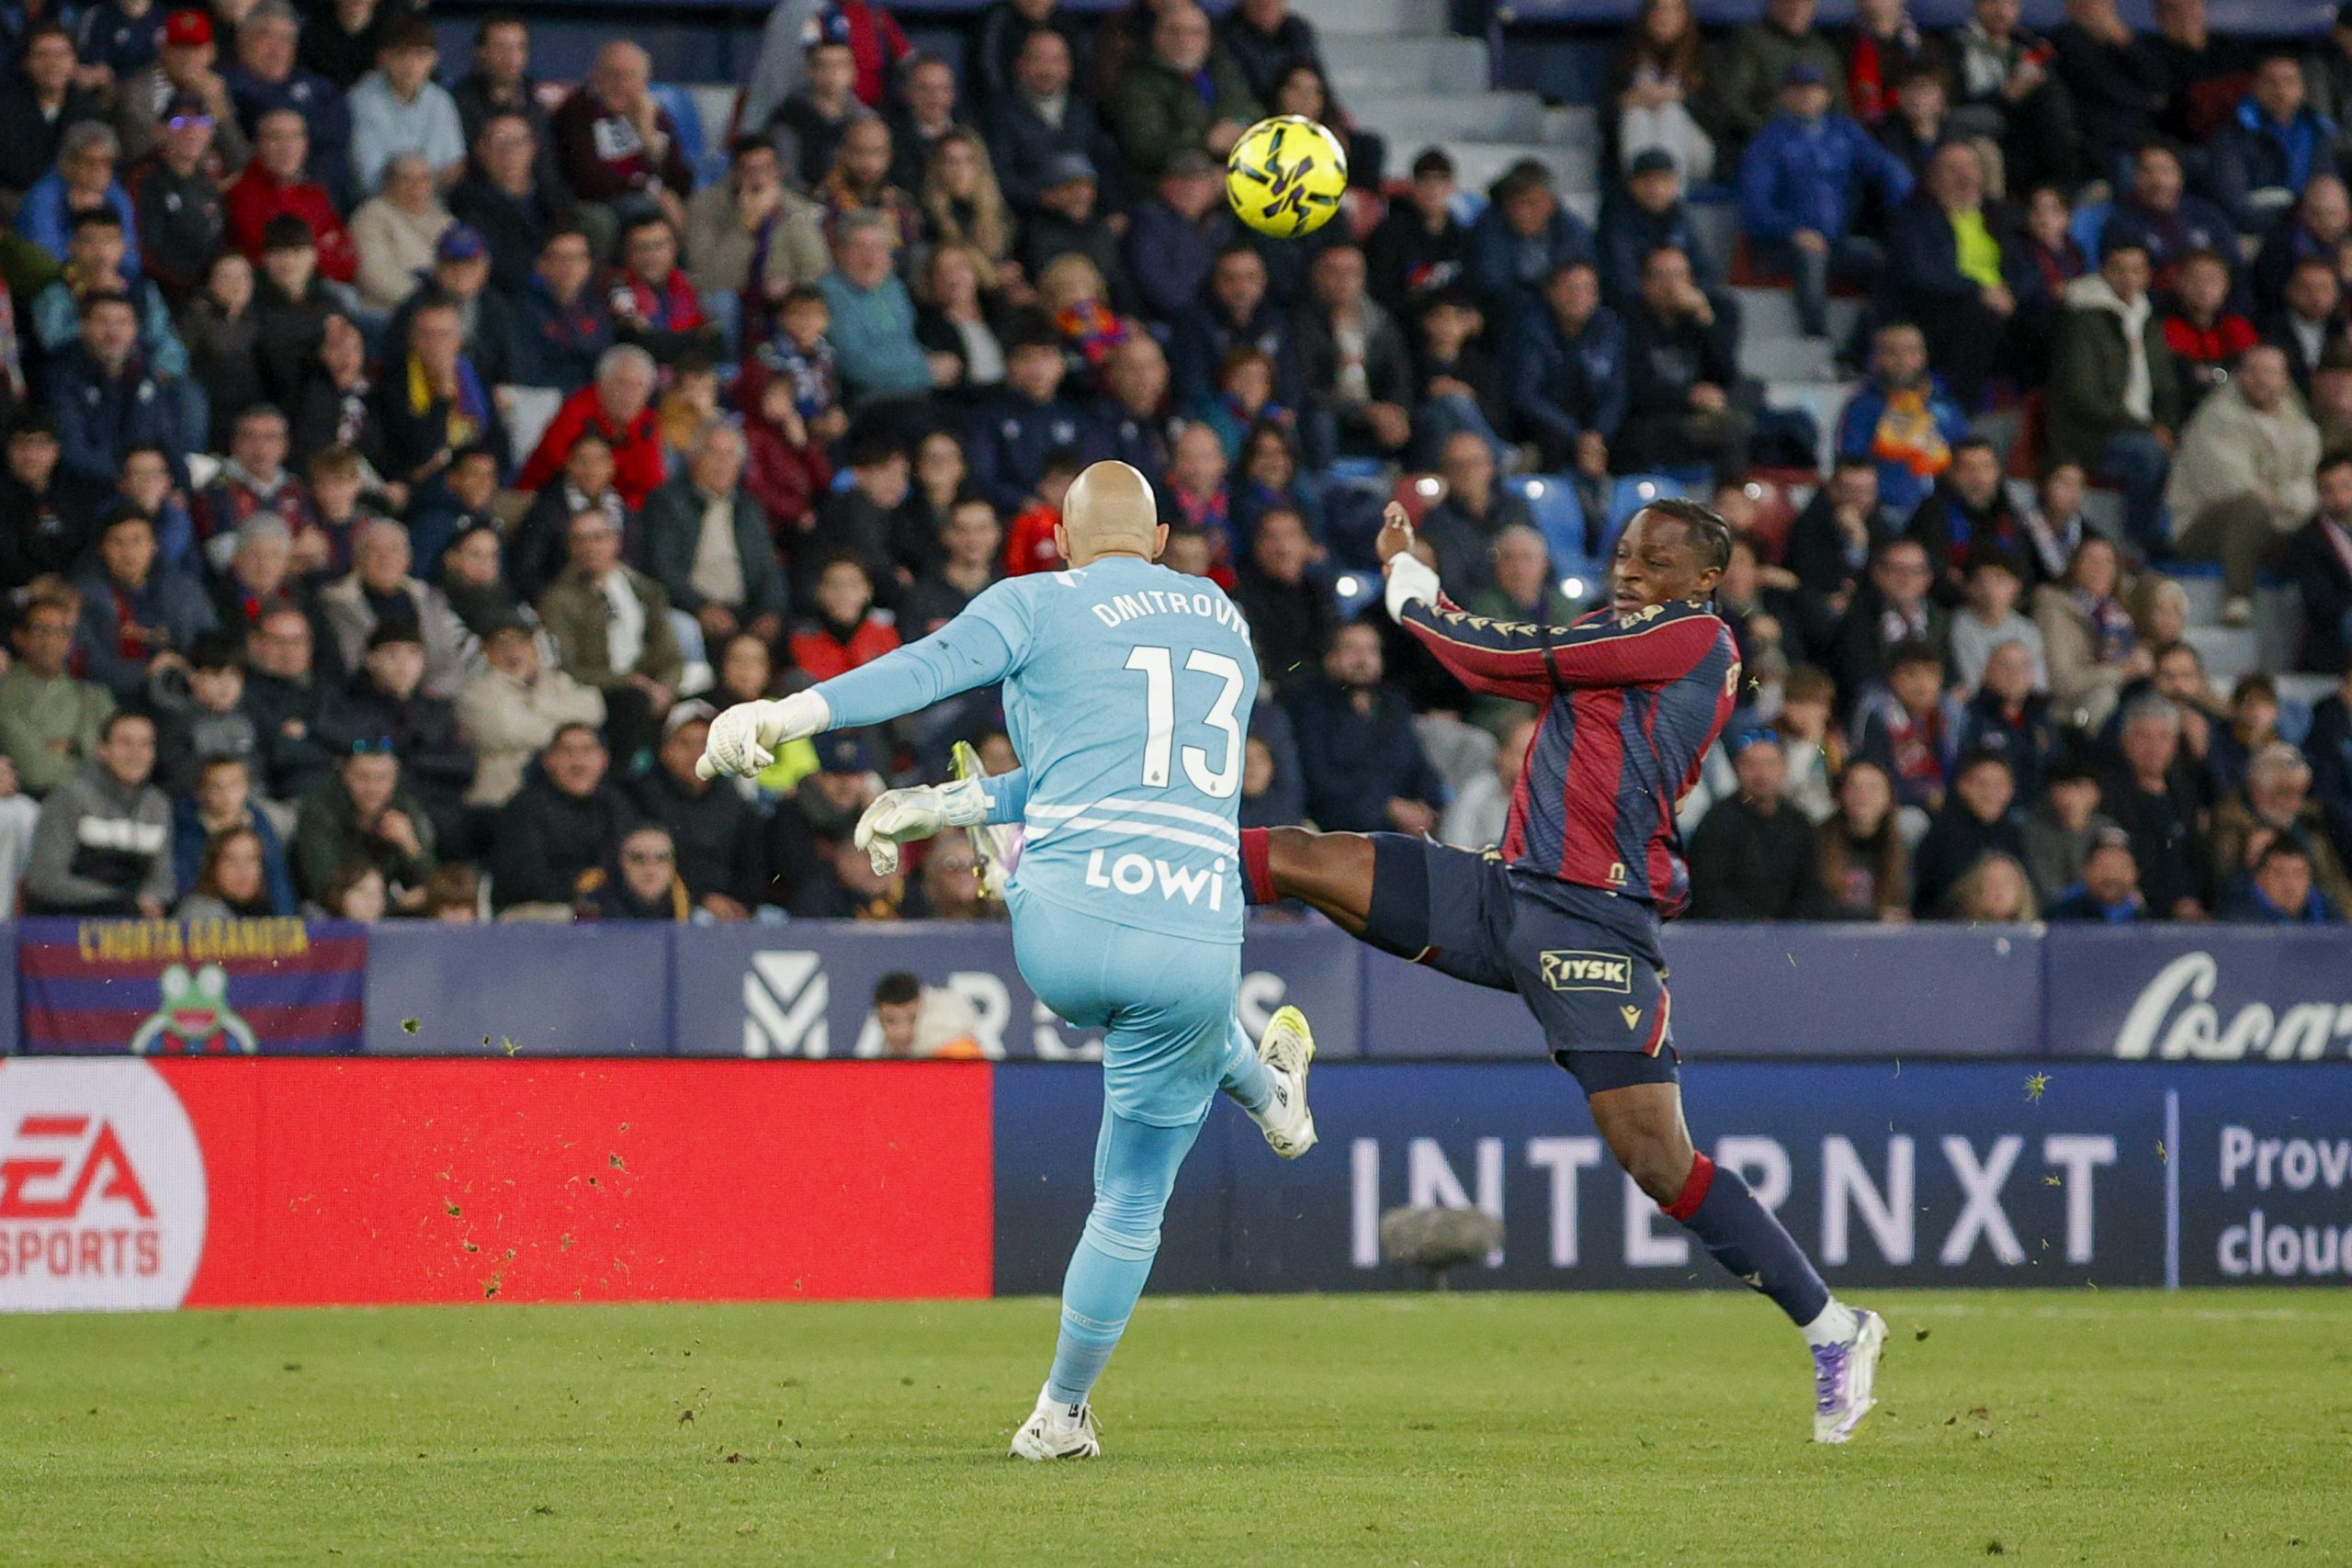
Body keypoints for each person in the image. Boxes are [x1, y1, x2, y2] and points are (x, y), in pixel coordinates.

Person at [1217, 495, 1887, 1437]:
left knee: (1657, 1160)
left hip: (1592, 921)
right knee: (1300, 855)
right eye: (1622, 553)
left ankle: (1834, 1328)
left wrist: (1410, 586)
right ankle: (1090, 878)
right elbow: (1510, 670)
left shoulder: (1695, 640)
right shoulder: (1613, 638)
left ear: (1704, 581)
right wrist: (1428, 600)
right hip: (1502, 892)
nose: (1628, 571)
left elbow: (1504, 659)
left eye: (1654, 561)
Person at [697, 458, 1317, 1461]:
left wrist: (785, 715)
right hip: (1198, 935)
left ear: (1062, 543)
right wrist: (960, 801)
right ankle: (1058, 1415)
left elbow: (926, 667)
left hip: (1063, 933)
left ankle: (1269, 1091)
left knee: (1147, 1010)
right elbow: (1110, 768)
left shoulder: (1037, 599)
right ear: (1160, 544)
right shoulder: (1220, 621)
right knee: (1129, 1199)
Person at [1735, 61, 1913, 340]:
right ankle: (1816, 339)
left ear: (1827, 95)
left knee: (1882, 260)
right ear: (1783, 96)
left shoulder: (1844, 131)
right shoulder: (1767, 142)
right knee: (1811, 255)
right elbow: (1756, 210)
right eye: (1798, 89)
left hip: (1836, 242)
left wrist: (1907, 209)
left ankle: (1867, 341)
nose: (1807, 94)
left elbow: (1885, 168)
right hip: (1780, 247)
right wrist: (1793, 230)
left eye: (1815, 88)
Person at [2164, 344, 2321, 625]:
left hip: (2277, 525)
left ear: (2285, 379)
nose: (2261, 379)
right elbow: (2232, 487)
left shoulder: (2302, 427)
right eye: (2253, 371)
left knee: (2328, 517)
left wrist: (2283, 499)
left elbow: (2311, 490)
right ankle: (2237, 599)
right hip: (2201, 528)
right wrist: (2287, 499)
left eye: (2270, 372)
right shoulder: (2215, 417)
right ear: (2239, 376)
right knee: (2250, 507)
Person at [2047, 238, 2180, 560]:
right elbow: (2084, 397)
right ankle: (2137, 544)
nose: (2129, 279)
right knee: (2148, 455)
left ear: (2147, 275)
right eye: (2119, 270)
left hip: (2141, 428)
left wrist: (2165, 424)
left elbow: (2166, 387)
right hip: (2089, 438)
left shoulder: (2148, 320)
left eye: (2137, 270)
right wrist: (2147, 430)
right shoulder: (2084, 320)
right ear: (2104, 272)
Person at [536, 507, 684, 761]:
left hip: (649, 690)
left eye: (597, 538)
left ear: (616, 541)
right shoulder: (558, 600)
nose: (589, 547)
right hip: (598, 692)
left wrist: (665, 690)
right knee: (632, 703)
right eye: (579, 540)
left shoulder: (645, 590)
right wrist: (631, 682)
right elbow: (568, 667)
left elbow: (670, 655)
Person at [639, 422, 786, 650]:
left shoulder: (749, 508)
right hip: (692, 610)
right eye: (713, 453)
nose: (722, 463)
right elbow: (663, 567)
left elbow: (769, 566)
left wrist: (772, 610)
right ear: (693, 458)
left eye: (730, 455)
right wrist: (700, 607)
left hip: (744, 610)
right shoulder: (667, 502)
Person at [24, 710, 174, 916]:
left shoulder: (158, 805)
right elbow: (45, 880)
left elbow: (163, 881)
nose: (136, 754)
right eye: (125, 743)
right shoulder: (69, 797)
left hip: (128, 928)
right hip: (65, 925)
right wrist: (116, 901)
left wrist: (149, 900)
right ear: (102, 749)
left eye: (145, 744)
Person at [454, 615, 605, 809]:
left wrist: (536, 706)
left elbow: (593, 711)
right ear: (486, 651)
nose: (513, 650)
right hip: (504, 800)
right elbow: (507, 730)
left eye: (521, 641)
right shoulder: (477, 692)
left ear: (533, 645)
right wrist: (562, 722)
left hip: (564, 800)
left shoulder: (557, 681)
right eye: (501, 643)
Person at [490, 720, 636, 918]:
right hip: (540, 913)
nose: (578, 762)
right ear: (548, 760)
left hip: (606, 910)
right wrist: (582, 885)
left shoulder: (618, 806)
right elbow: (521, 879)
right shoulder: (525, 808)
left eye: (587, 751)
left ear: (603, 759)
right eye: (567, 751)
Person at [1688, 728, 1826, 919]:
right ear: (1737, 769)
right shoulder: (1717, 822)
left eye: (1770, 764)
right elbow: (1707, 891)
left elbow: (1810, 889)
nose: (1762, 775)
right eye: (1751, 765)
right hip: (1730, 935)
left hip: (1791, 936)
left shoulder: (1798, 823)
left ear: (1784, 769)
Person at [0, 594, 115, 797]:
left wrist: (69, 747)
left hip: (88, 803)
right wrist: (77, 750)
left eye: (62, 632)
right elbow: (35, 772)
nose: (51, 640)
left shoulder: (94, 697)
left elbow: (114, 769)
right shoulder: (4, 691)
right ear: (19, 636)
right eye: (40, 630)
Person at [2286, 453, 2352, 675]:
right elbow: (2320, 602)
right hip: (2332, 641)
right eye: (2329, 489)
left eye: (2346, 486)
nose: (2340, 497)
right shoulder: (2308, 540)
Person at [2217, 833, 2343, 924]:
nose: (2290, 884)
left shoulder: (2326, 912)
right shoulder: (2240, 922)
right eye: (2279, 874)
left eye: (2298, 874)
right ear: (2259, 878)